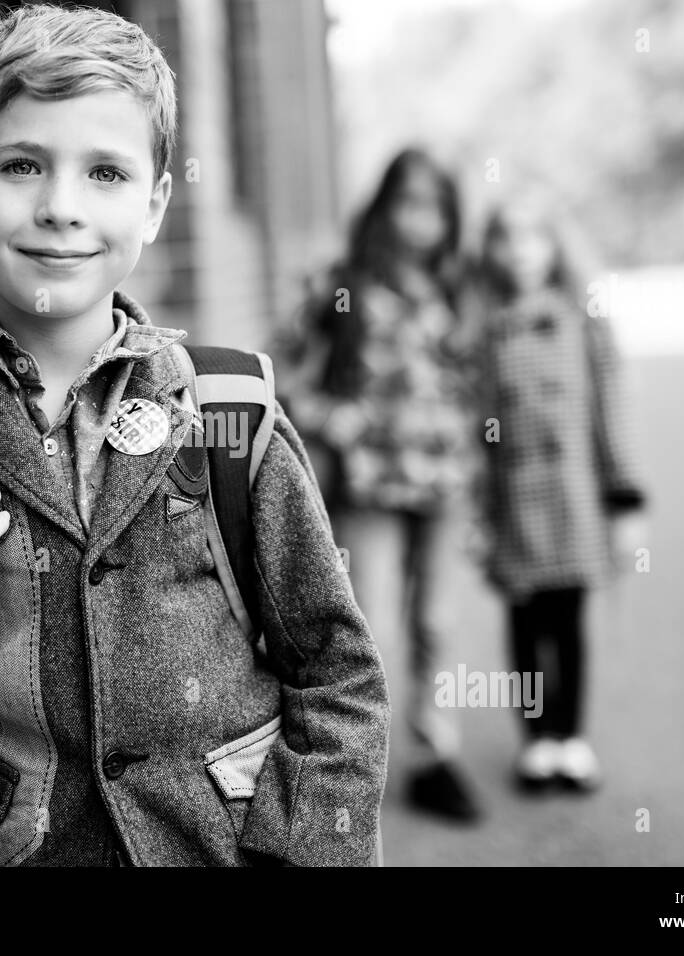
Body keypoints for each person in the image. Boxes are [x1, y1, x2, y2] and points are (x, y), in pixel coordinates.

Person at [0, 4, 389, 866]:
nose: (60, 208)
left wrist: (300, 852)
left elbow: (336, 670)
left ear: (156, 203)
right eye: (21, 165)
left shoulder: (229, 406)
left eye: (106, 174)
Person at [275, 149, 484, 822]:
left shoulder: (459, 288)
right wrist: (333, 417)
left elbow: (481, 379)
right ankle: (357, 759)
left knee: (436, 621)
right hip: (372, 487)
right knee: (372, 623)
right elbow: (282, 370)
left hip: (447, 484)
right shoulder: (341, 284)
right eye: (408, 203)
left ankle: (431, 753)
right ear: (384, 206)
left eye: (435, 207)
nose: (420, 222)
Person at [473, 197, 649, 792]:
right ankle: (536, 740)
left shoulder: (583, 319)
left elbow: (612, 412)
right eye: (507, 238)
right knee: (524, 622)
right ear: (491, 250)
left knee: (568, 621)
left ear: (555, 245)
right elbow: (480, 429)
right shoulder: (486, 327)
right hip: (513, 502)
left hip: (574, 496)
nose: (520, 250)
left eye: (533, 236)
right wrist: (480, 512)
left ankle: (571, 737)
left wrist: (624, 499)